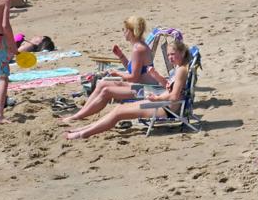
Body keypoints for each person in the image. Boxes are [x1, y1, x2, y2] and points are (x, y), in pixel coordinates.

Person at [64, 40, 192, 140]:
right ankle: (83, 129)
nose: (169, 57)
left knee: (118, 111)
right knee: (117, 107)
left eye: (172, 54)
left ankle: (82, 134)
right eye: (168, 54)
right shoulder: (179, 68)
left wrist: (157, 98)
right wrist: (156, 75)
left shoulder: (180, 70)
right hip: (161, 101)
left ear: (181, 53)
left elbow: (174, 96)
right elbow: (170, 88)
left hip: (164, 107)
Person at [59, 16, 157, 124]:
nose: (123, 32)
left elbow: (134, 77)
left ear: (130, 31)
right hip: (141, 87)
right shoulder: (139, 46)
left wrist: (116, 73)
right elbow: (133, 70)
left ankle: (78, 116)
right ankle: (81, 113)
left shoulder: (138, 49)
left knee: (106, 91)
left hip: (147, 91)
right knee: (102, 83)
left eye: (124, 30)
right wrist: (121, 56)